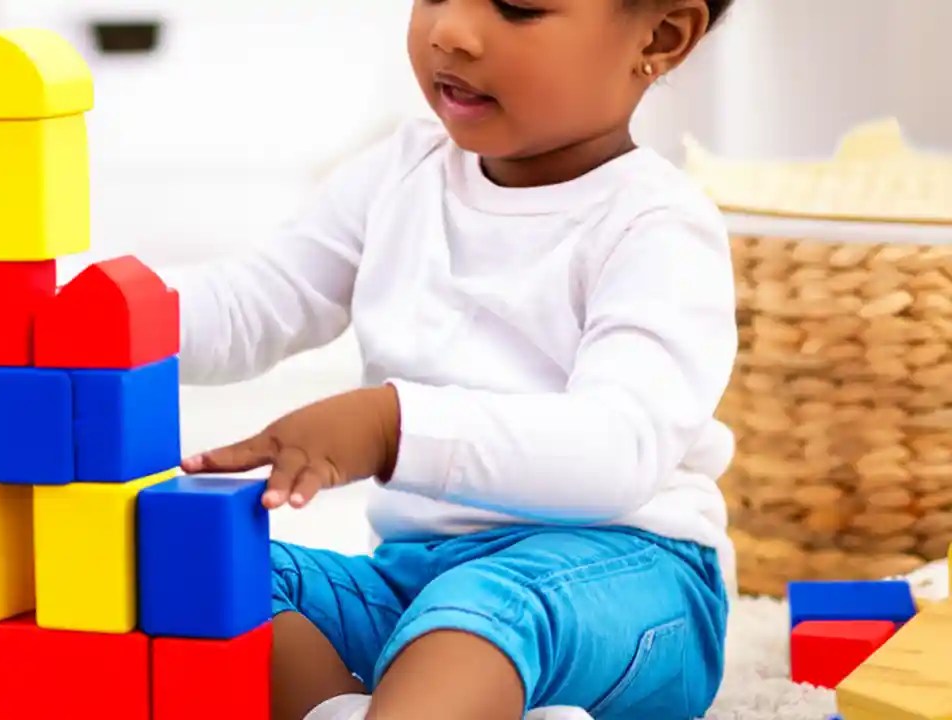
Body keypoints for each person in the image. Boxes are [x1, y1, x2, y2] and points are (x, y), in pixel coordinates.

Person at [160, 1, 739, 718]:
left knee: (480, 608)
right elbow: (257, 300)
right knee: (203, 567)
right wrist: (98, 317)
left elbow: (618, 448)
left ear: (659, 35)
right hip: (413, 584)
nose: (450, 32)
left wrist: (391, 427)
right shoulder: (401, 173)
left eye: (518, 8)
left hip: (632, 580)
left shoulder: (657, 225)